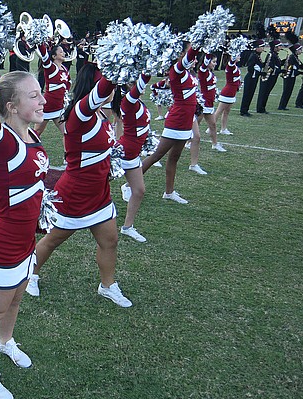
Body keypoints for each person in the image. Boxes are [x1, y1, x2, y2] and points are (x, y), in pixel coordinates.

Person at [0, 71, 48, 399]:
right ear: (12, 106)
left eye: (40, 93)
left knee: (15, 302)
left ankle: (6, 342)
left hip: (26, 243)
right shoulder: (4, 143)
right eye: (33, 96)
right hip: (2, 247)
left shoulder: (31, 135)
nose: (43, 100)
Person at [27, 63, 130, 308]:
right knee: (52, 240)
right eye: (107, 83)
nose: (113, 88)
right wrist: (114, 72)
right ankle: (30, 274)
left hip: (100, 193)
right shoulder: (79, 114)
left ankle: (107, 285)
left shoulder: (101, 115)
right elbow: (103, 90)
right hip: (74, 194)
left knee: (110, 240)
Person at [140, 43, 198, 204]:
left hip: (186, 121)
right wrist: (198, 43)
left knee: (174, 157)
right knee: (157, 155)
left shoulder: (186, 73)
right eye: (187, 54)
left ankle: (169, 192)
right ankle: (130, 185)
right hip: (177, 121)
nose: (193, 59)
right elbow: (190, 56)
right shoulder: (176, 70)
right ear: (180, 55)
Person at [117, 74, 152, 243]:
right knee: (92, 187)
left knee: (139, 191)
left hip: (133, 155)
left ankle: (127, 227)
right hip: (122, 153)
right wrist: (148, 70)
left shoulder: (137, 103)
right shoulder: (127, 102)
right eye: (135, 83)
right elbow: (141, 83)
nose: (142, 87)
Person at [33, 43, 70, 138]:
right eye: (61, 52)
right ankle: (28, 149)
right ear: (54, 56)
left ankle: (68, 152)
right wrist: (40, 42)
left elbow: (68, 82)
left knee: (67, 133)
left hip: (59, 107)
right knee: (36, 132)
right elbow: (44, 54)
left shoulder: (65, 68)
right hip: (48, 106)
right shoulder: (50, 68)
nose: (64, 53)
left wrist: (65, 93)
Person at [196, 53, 226, 156]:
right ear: (207, 62)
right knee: (195, 124)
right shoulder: (203, 71)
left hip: (209, 103)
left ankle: (215, 144)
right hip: (203, 103)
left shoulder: (209, 72)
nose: (215, 64)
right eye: (213, 61)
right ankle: (187, 142)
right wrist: (208, 51)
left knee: (212, 124)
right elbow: (204, 63)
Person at [214, 51, 242, 135]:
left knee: (226, 112)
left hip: (232, 92)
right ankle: (210, 128)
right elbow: (231, 63)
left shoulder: (235, 67)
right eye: (238, 55)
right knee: (219, 111)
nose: (240, 56)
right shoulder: (230, 66)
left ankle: (223, 129)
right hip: (227, 93)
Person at [239, 39, 266, 117]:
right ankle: (243, 111)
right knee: (247, 94)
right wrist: (260, 73)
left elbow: (259, 65)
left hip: (254, 78)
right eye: (261, 47)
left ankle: (246, 110)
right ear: (256, 48)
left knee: (251, 94)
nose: (263, 48)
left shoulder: (257, 55)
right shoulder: (253, 55)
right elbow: (250, 68)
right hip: (250, 78)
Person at [256, 40, 282, 114]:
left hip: (272, 76)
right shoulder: (271, 55)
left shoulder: (275, 54)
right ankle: (260, 108)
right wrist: (279, 71)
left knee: (266, 93)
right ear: (275, 47)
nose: (280, 47)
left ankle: (263, 107)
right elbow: (271, 66)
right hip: (268, 76)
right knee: (263, 93)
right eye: (279, 46)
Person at [277, 40, 302, 110]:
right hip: (288, 76)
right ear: (296, 50)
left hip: (292, 76)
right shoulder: (292, 57)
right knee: (286, 91)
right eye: (300, 49)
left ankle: (283, 106)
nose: (301, 51)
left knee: (289, 91)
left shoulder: (295, 57)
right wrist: (299, 72)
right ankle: (281, 106)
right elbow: (291, 67)